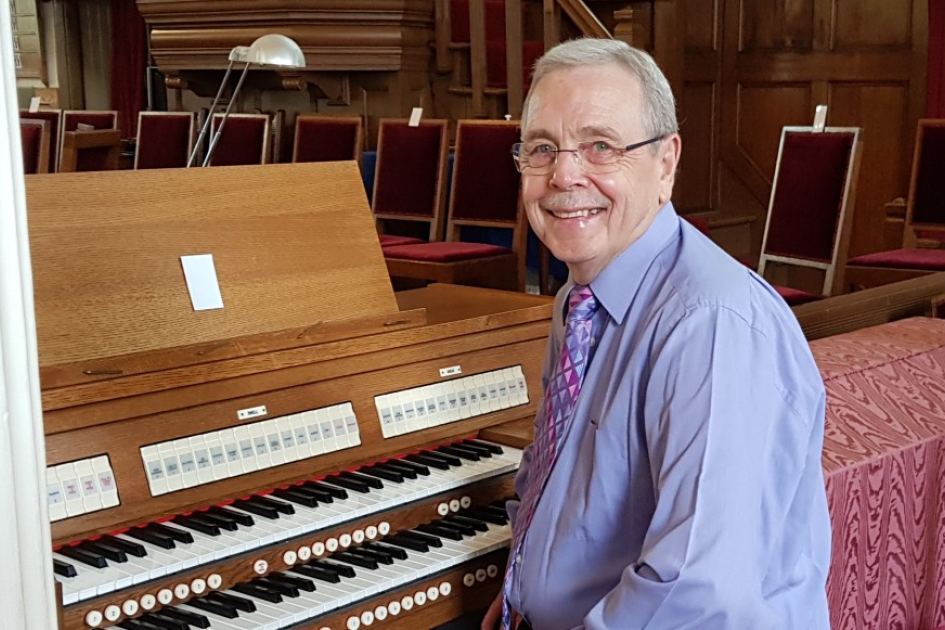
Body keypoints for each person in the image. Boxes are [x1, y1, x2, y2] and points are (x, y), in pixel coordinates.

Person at [480, 38, 832, 630]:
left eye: (600, 147)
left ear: (665, 162)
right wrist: (523, 585)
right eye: (542, 149)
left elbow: (695, 593)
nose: (564, 175)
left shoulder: (708, 325)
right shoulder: (581, 297)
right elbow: (559, 480)